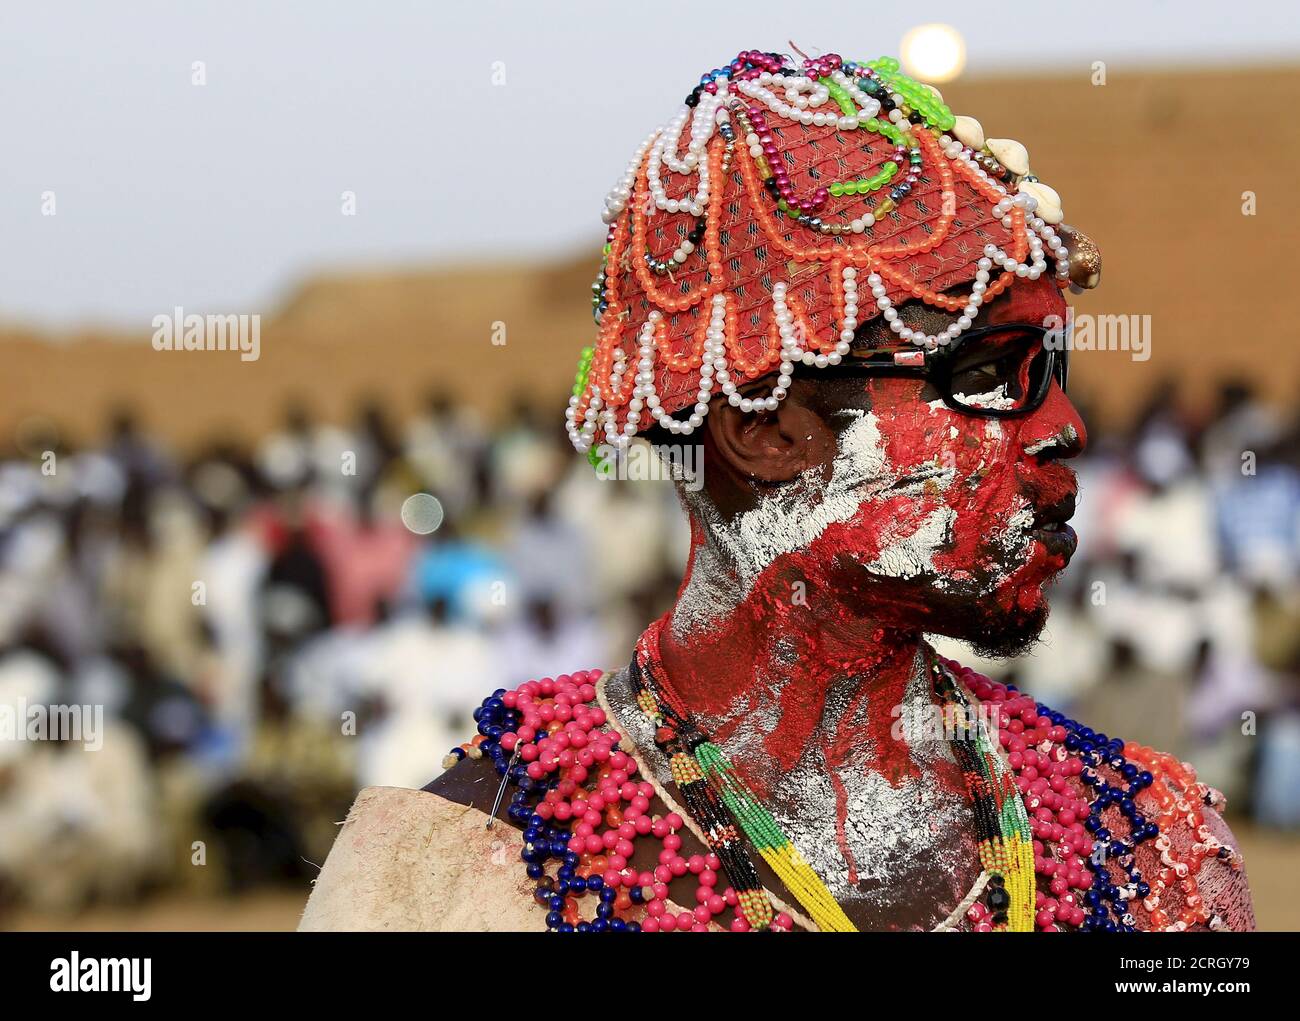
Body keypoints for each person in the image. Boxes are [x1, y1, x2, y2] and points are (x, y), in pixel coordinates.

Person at [300, 48, 1253, 932]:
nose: (1063, 427)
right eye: (994, 372)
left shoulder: (1146, 845)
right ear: (764, 429)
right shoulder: (469, 870)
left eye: (1054, 364)